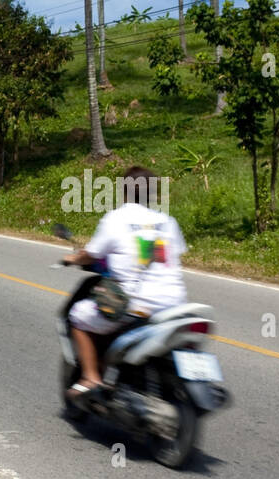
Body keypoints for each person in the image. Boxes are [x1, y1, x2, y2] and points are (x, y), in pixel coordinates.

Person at [63, 165, 188, 397]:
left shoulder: (116, 219)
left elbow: (92, 254)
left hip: (136, 304)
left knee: (78, 315)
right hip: (174, 304)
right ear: (153, 194)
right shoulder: (167, 221)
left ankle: (90, 377)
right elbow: (174, 253)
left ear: (125, 191)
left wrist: (72, 258)